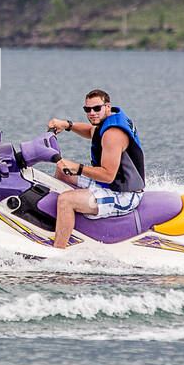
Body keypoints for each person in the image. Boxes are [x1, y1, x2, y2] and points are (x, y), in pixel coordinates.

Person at [44, 90, 146, 249]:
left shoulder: (113, 134)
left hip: (124, 194)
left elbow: (107, 175)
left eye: (96, 108)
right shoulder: (108, 119)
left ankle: (58, 252)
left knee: (66, 200)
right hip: (112, 185)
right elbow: (92, 132)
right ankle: (63, 222)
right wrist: (67, 125)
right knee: (62, 172)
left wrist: (77, 168)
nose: (92, 113)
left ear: (107, 106)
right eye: (87, 110)